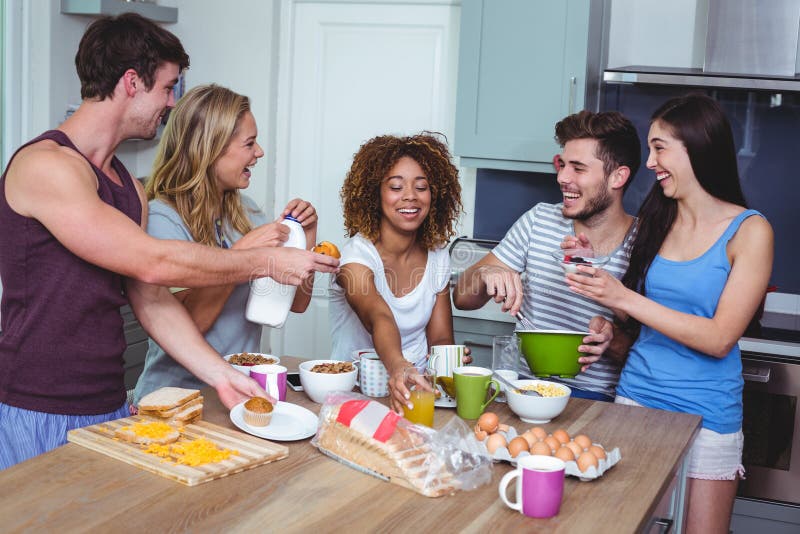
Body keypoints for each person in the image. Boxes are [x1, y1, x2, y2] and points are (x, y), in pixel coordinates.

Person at [0, 14, 338, 469]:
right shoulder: (46, 166)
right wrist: (264, 261)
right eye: (167, 87)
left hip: (106, 403)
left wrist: (222, 375)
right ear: (132, 82)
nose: (172, 102)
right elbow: (153, 262)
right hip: (35, 402)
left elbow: (153, 298)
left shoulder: (128, 188)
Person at [566, 94, 773, 533]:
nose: (649, 162)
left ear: (696, 146)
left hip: (707, 414)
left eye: (659, 148)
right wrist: (592, 268)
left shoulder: (750, 231)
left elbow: (719, 338)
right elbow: (636, 312)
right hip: (636, 401)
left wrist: (624, 299)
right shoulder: (658, 219)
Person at [133, 84, 320, 402]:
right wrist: (243, 255)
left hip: (237, 392)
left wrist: (306, 238)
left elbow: (297, 304)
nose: (259, 152)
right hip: (173, 398)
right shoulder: (162, 219)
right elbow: (189, 326)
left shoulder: (247, 212)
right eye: (249, 143)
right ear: (211, 149)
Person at [453, 110, 642, 402]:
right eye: (562, 164)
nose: (562, 177)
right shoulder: (539, 220)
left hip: (595, 399)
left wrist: (613, 339)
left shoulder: (643, 243)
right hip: (523, 390)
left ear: (618, 176)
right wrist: (485, 273)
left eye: (578, 168)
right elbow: (462, 298)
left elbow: (652, 353)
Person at [329, 133, 464, 413]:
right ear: (374, 194)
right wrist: (399, 366)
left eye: (421, 187)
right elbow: (379, 317)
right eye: (396, 186)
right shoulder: (355, 257)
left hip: (417, 393)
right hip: (356, 396)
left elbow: (440, 338)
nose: (410, 196)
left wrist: (448, 363)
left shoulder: (438, 254)